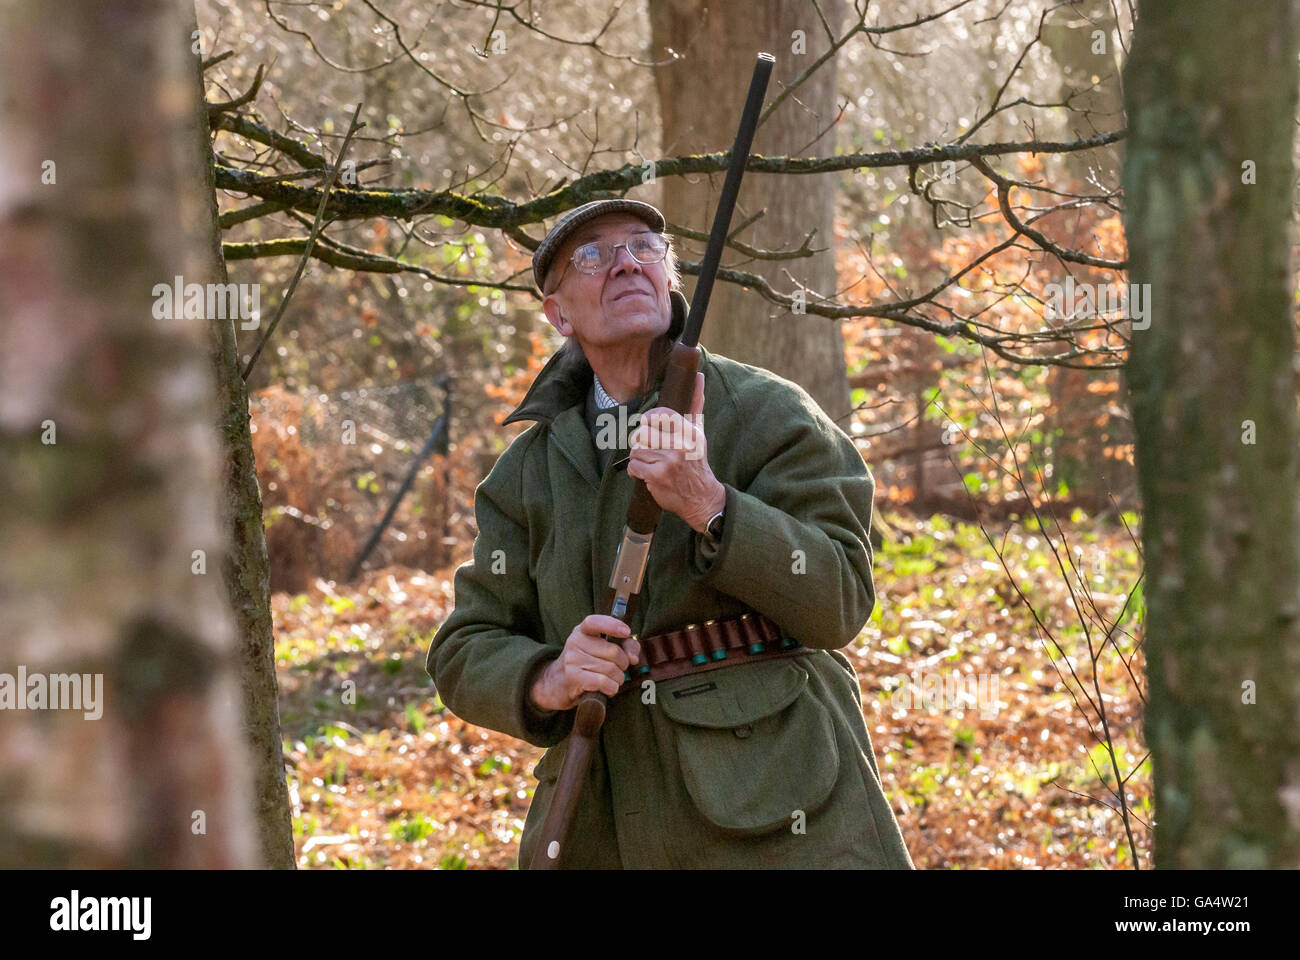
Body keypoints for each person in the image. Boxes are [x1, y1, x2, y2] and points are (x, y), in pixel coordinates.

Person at [426, 198, 915, 869]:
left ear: (669, 277)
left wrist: (711, 503)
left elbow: (838, 599)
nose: (625, 262)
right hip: (603, 826)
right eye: (592, 256)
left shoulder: (769, 413)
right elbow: (464, 647)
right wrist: (550, 675)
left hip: (779, 809)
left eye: (643, 247)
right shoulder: (524, 474)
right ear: (558, 313)